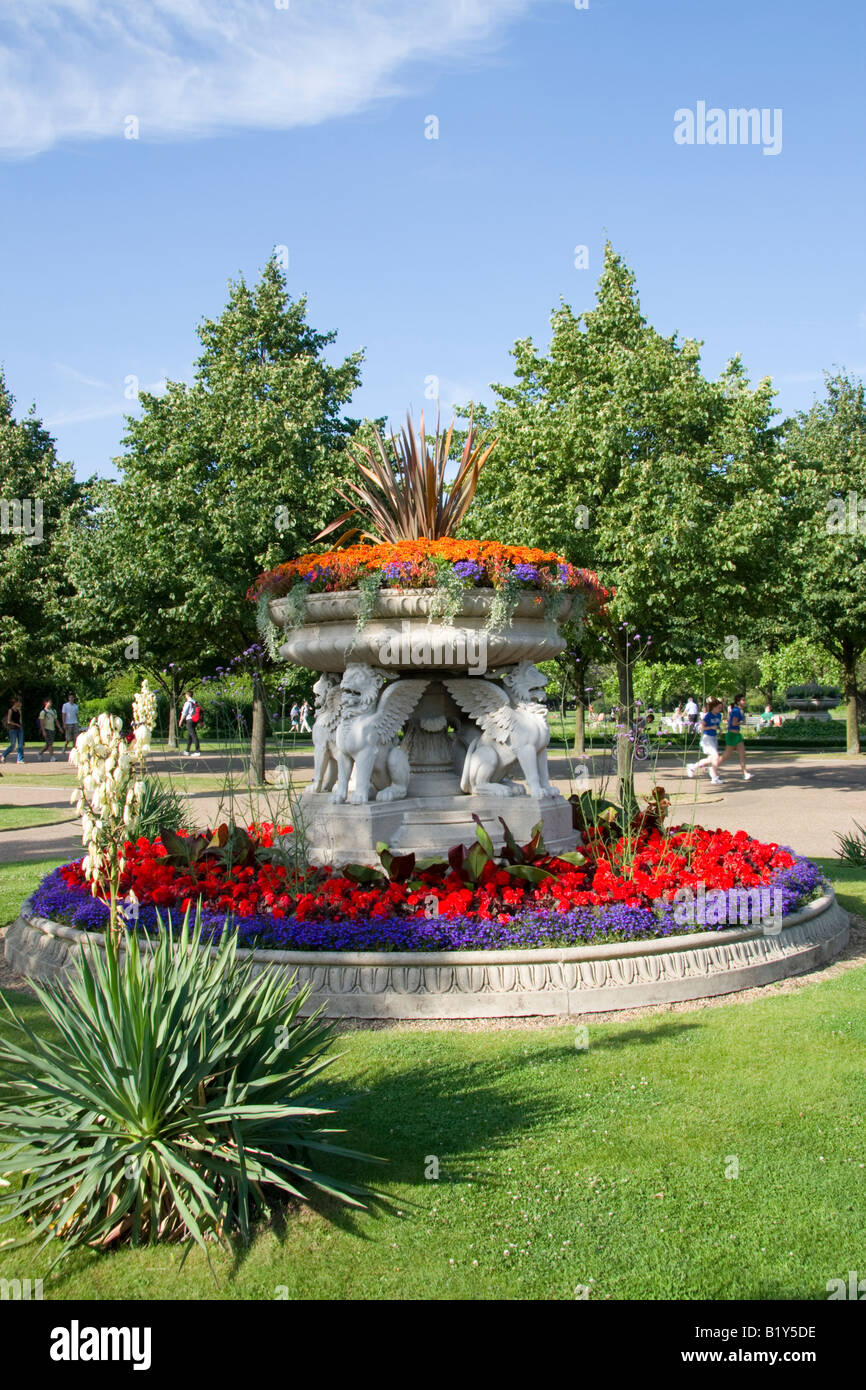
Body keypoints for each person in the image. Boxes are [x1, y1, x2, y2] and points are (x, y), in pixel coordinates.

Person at [687, 698, 724, 784]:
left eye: (721, 708)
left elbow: (716, 725)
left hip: (714, 738)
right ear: (713, 707)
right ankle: (714, 777)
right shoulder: (708, 716)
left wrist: (719, 729)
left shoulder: (719, 716)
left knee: (711, 759)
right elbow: (701, 727)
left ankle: (692, 766)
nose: (720, 709)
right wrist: (711, 727)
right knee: (715, 756)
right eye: (718, 707)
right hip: (707, 738)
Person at [718, 694, 753, 780]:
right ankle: (713, 766)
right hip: (732, 735)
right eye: (743, 700)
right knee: (726, 755)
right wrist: (742, 722)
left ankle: (745, 773)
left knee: (742, 754)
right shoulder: (736, 710)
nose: (744, 702)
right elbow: (733, 723)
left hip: (737, 735)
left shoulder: (737, 710)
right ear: (738, 701)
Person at [179, 690, 202, 757]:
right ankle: (187, 750)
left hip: (189, 720)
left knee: (193, 735)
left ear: (187, 695)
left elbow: (184, 713)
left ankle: (197, 751)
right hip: (195, 720)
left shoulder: (188, 703)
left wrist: (180, 721)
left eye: (185, 695)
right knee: (189, 735)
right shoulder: (195, 702)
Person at [1, 697, 24, 763]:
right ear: (16, 703)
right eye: (19, 702)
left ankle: (20, 759)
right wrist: (16, 724)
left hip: (19, 729)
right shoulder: (10, 710)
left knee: (20, 745)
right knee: (12, 746)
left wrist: (20, 725)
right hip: (13, 729)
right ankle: (3, 755)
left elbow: (20, 720)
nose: (20, 704)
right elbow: (8, 721)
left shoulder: (19, 710)